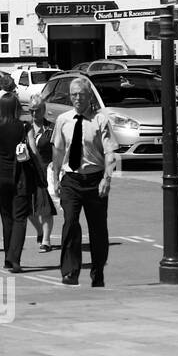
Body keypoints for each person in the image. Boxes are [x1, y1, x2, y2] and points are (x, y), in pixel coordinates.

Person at [48, 76, 118, 287]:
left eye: (81, 95)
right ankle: (70, 271)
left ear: (89, 97)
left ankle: (98, 272)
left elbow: (110, 153)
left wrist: (107, 178)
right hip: (71, 179)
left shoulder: (100, 120)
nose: (77, 98)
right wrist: (56, 178)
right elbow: (58, 150)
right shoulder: (63, 120)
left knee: (98, 229)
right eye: (73, 95)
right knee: (70, 223)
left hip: (95, 179)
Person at [0, 93, 36, 273]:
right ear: (16, 108)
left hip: (2, 175)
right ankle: (14, 259)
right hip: (21, 175)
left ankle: (8, 258)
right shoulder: (24, 126)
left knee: (6, 218)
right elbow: (33, 149)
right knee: (20, 217)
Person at [27, 99, 56, 252]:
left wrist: (56, 167)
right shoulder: (24, 127)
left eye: (37, 110)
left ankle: (46, 240)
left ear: (44, 109)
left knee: (45, 209)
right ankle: (39, 230)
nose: (34, 113)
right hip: (28, 172)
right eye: (31, 110)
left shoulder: (51, 128)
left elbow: (58, 149)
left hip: (46, 172)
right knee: (28, 209)